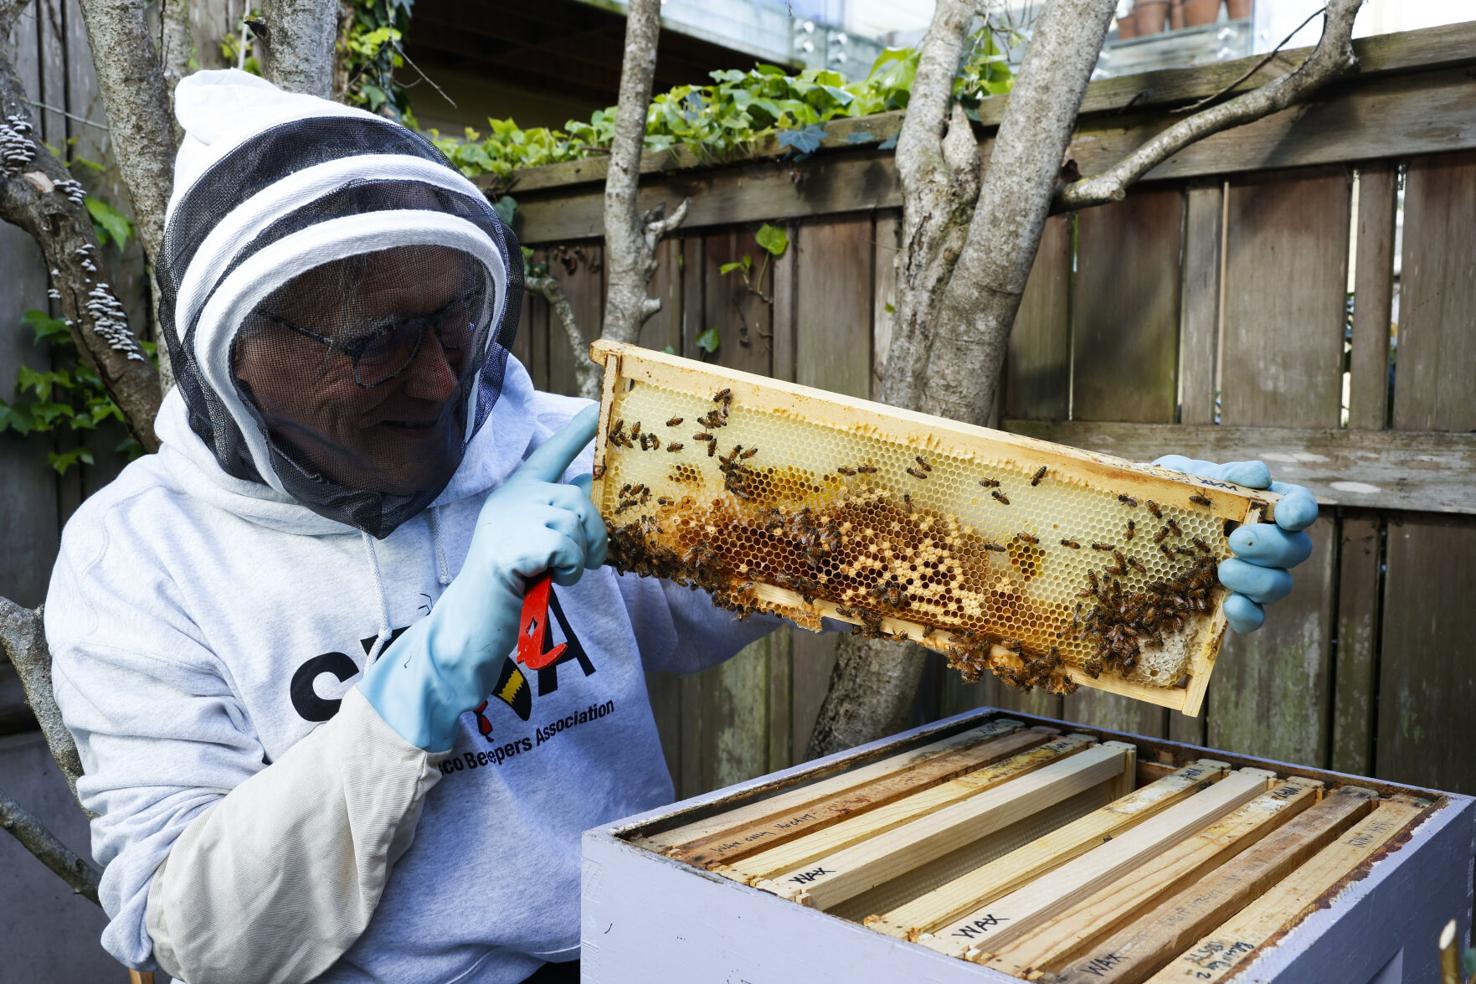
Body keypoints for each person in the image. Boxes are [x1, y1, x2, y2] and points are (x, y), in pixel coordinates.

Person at [44, 70, 1318, 984]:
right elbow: (193, 935)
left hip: (643, 949)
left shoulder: (553, 439)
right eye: (378, 342)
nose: (439, 383)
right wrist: (420, 685)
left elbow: (854, 532)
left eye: (453, 324)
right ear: (233, 359)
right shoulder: (137, 560)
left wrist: (1118, 547)